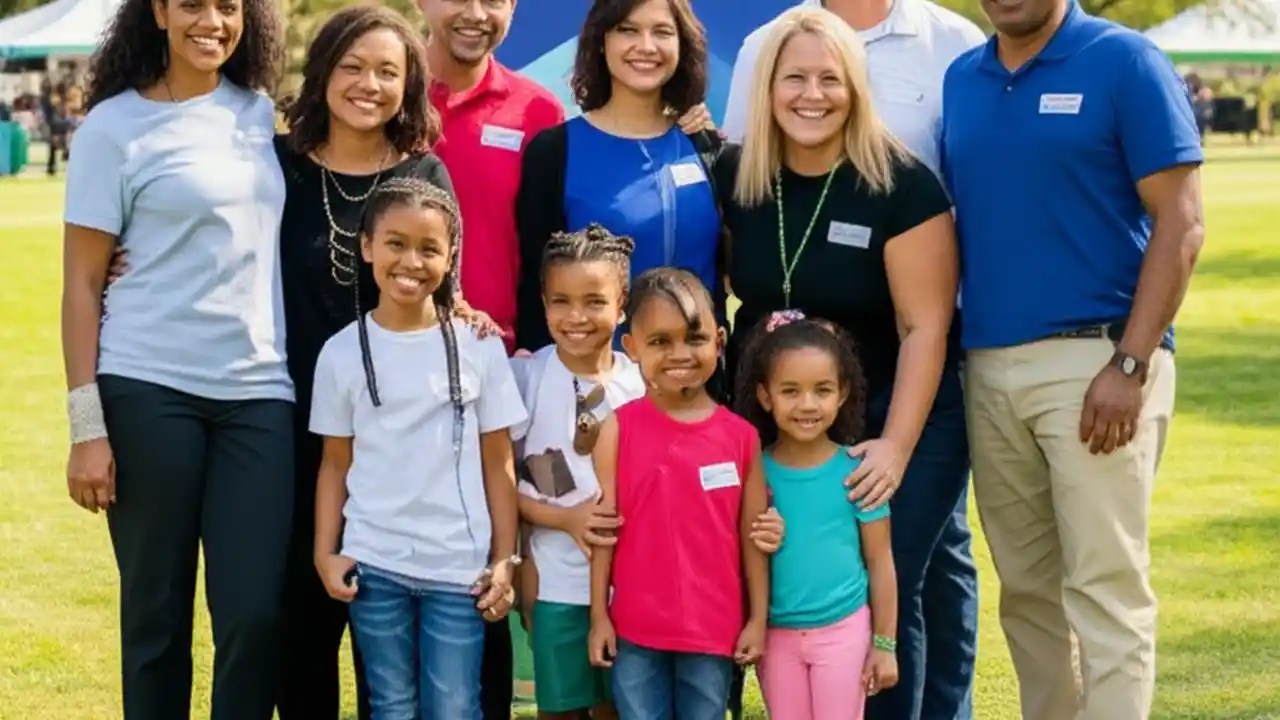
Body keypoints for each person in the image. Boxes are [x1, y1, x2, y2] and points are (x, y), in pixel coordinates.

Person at [941, 1, 1204, 718]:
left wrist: (1130, 364)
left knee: (1105, 586)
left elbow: (1181, 221)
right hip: (987, 365)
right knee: (1026, 591)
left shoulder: (1126, 62)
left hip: (1098, 361)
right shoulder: (962, 77)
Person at [726, 5, 984, 715]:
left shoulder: (901, 185)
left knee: (886, 587)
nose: (813, 95)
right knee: (790, 584)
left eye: (831, 79)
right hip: (782, 425)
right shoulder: (740, 179)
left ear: (857, 88)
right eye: (795, 78)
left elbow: (925, 326)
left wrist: (894, 450)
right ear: (766, 87)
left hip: (896, 417)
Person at [60, 0, 291, 716]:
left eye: (229, 7)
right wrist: (85, 427)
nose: (212, 22)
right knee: (156, 616)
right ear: (158, 12)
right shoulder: (114, 126)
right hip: (147, 388)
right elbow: (82, 283)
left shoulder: (261, 116)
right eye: (193, 4)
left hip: (259, 394)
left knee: (254, 614)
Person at [273, 7, 452, 719]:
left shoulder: (424, 172)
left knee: (387, 636)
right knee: (300, 624)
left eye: (387, 71)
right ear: (323, 73)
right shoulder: (279, 162)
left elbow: (446, 285)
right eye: (352, 66)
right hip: (288, 427)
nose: (368, 84)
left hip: (392, 438)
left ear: (409, 85)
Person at [310, 177, 527, 719]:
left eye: (430, 248)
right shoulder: (340, 354)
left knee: (454, 706)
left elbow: (498, 461)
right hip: (375, 564)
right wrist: (324, 551)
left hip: (458, 568)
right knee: (391, 706)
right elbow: (335, 463)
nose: (411, 261)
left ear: (451, 255)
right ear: (367, 247)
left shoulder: (479, 346)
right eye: (395, 243)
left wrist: (505, 557)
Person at [587, 268, 770, 720]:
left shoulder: (742, 438)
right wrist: (599, 617)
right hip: (636, 631)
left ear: (719, 340)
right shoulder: (618, 427)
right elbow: (603, 531)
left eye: (695, 338)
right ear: (631, 349)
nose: (680, 354)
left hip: (713, 632)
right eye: (660, 342)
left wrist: (758, 619)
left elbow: (753, 538)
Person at [514, 0, 724, 353]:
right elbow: (535, 281)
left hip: (694, 377)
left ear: (681, 45)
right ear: (601, 41)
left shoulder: (704, 147)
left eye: (662, 32)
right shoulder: (554, 151)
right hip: (594, 383)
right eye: (628, 30)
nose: (646, 46)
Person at [734, 310, 898, 720]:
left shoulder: (857, 472)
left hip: (843, 631)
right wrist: (761, 536)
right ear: (765, 395)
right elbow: (739, 554)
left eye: (821, 390)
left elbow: (880, 562)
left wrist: (885, 644)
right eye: (790, 391)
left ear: (842, 394)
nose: (807, 404)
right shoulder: (753, 471)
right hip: (777, 636)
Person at [418, 0, 566, 356]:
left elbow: (548, 249)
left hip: (501, 352)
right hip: (389, 346)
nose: (476, 14)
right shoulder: (383, 98)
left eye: (492, 1)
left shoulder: (539, 111)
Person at [723, 0, 984, 176]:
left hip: (921, 250)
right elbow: (741, 170)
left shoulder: (956, 41)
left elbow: (977, 175)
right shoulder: (762, 47)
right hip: (792, 251)